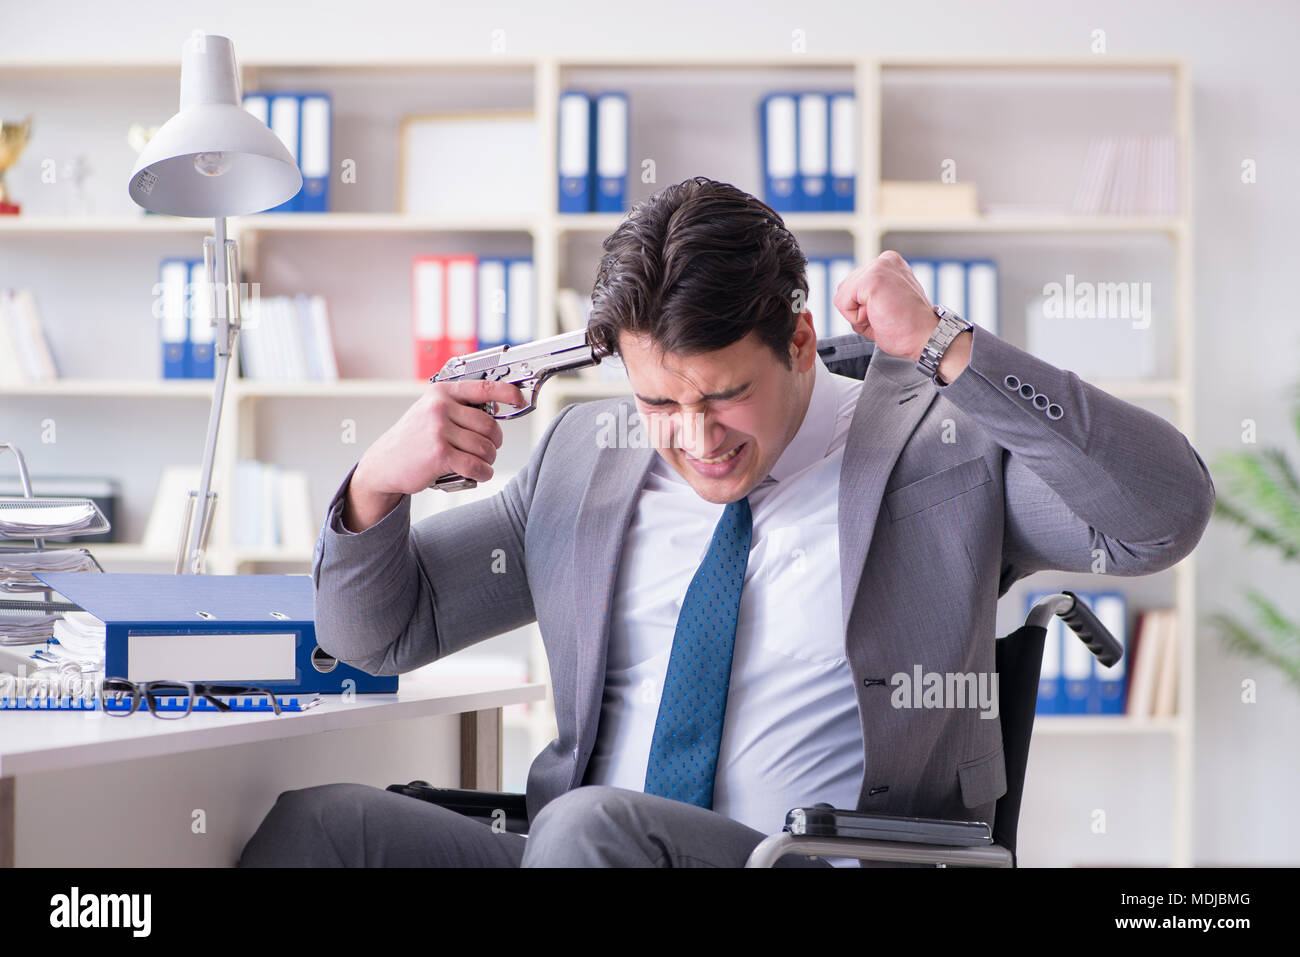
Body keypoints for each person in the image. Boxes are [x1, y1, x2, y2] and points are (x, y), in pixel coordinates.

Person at [238, 176, 1215, 867]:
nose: (694, 438)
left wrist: (948, 347)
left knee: (587, 831)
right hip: (583, 854)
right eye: (661, 403)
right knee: (320, 830)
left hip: (809, 860)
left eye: (724, 396)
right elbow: (372, 636)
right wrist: (378, 484)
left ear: (796, 338)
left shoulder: (939, 455)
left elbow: (1158, 518)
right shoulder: (587, 462)